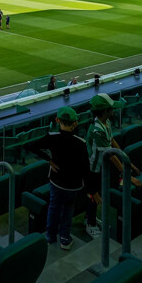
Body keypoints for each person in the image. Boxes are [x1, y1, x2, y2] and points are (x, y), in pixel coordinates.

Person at [26, 107, 92, 251]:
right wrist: (91, 190)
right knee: (68, 210)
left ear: (57, 120)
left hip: (56, 181)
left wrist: (48, 159)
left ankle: (50, 236)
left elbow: (31, 146)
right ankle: (64, 238)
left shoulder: (52, 137)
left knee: (54, 207)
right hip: (73, 185)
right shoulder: (81, 143)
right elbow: (86, 169)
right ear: (75, 123)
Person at [83, 93, 139, 238]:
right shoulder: (96, 130)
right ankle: (90, 224)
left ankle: (90, 218)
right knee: (92, 195)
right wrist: (127, 173)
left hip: (100, 166)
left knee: (96, 194)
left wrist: (126, 159)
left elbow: (112, 142)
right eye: (111, 108)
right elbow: (111, 155)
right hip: (91, 168)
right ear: (105, 111)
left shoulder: (105, 123)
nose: (114, 110)